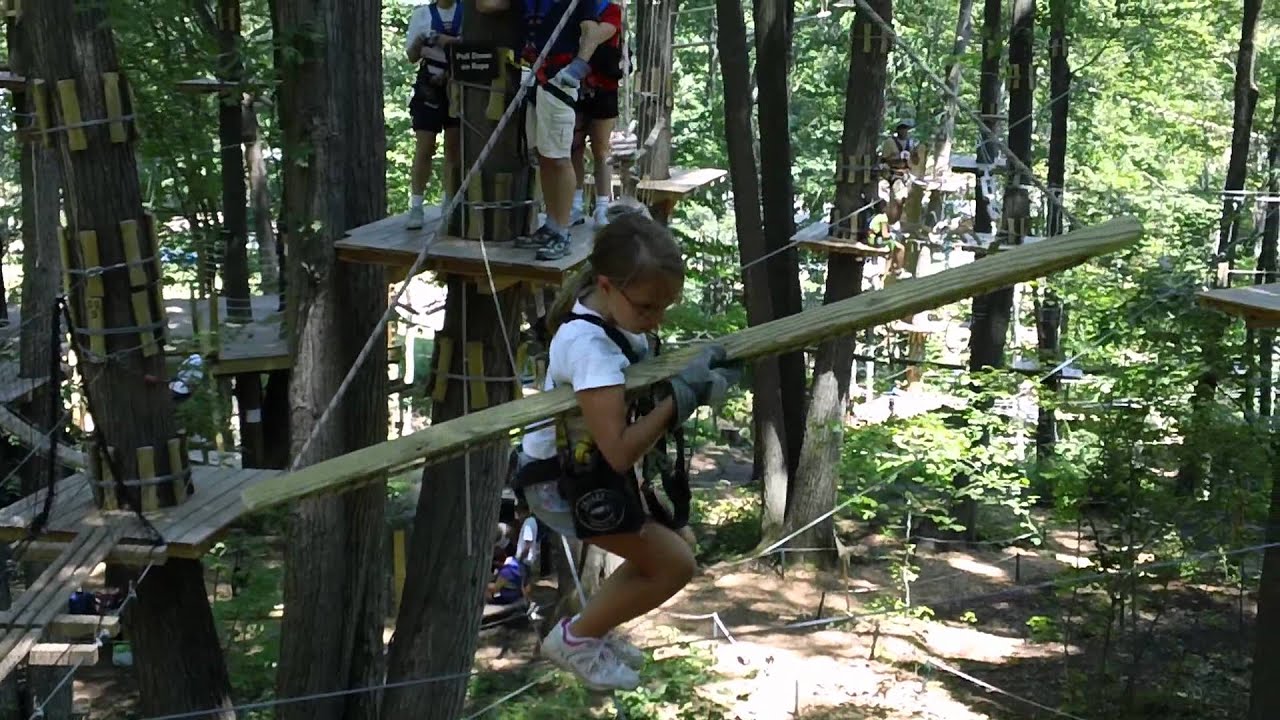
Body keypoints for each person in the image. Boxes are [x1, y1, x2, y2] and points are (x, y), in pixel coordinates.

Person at [512, 206, 740, 691]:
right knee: (675, 564)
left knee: (658, 557)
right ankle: (576, 640)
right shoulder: (589, 348)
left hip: (582, 470)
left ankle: (589, 633)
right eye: (646, 308)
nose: (655, 321)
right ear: (608, 286)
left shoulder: (611, 319)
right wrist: (682, 399)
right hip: (561, 482)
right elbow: (617, 451)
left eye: (664, 308)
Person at [478, 0, 615, 261]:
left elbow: (590, 30)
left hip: (558, 80)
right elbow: (486, 5)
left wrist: (576, 68)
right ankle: (552, 225)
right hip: (535, 78)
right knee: (544, 155)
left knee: (559, 157)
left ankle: (561, 233)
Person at [405, 0, 463, 230]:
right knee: (425, 146)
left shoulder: (466, 13)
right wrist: (421, 41)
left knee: (454, 147)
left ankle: (449, 204)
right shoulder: (421, 15)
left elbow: (477, 46)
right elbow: (411, 56)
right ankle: (416, 206)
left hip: (458, 85)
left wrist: (451, 41)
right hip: (429, 85)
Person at [570, 0, 625, 226]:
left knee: (601, 148)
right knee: (574, 145)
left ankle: (602, 206)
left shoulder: (611, 10)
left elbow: (594, 36)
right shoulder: (573, 8)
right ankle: (574, 204)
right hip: (575, 86)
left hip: (604, 88)